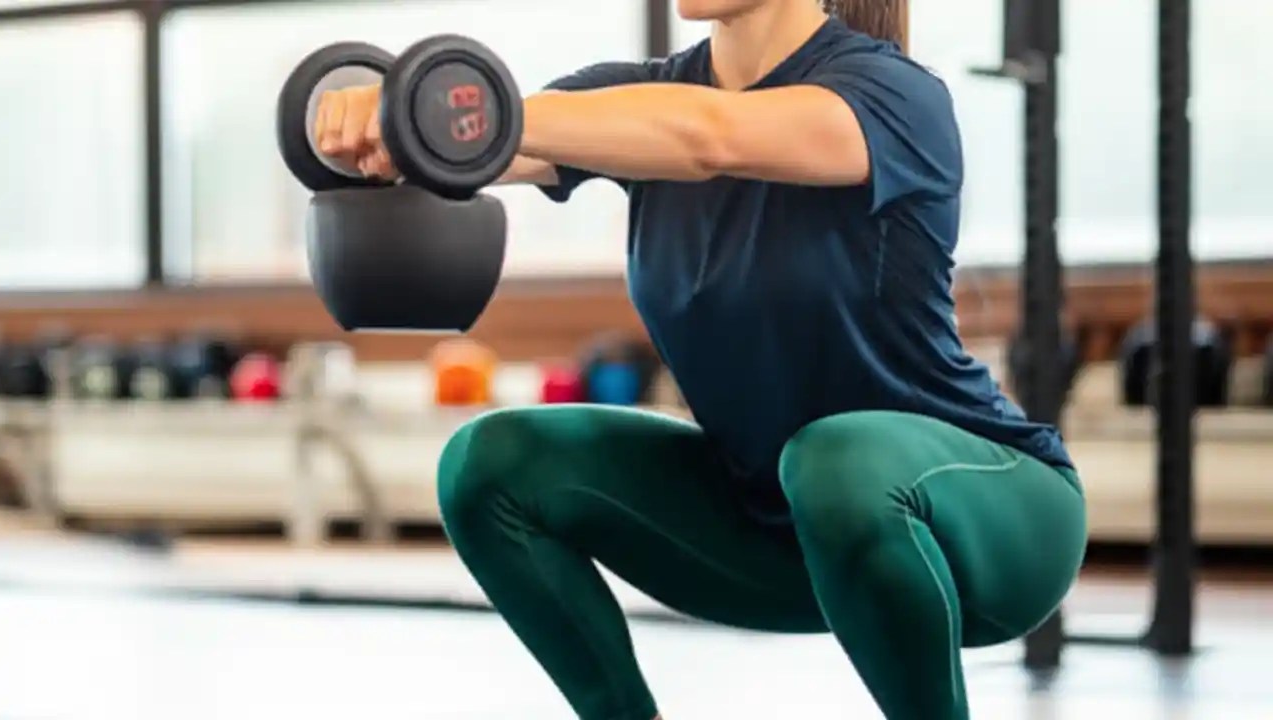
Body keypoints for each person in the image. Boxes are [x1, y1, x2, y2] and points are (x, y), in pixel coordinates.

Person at [314, 0, 1088, 718]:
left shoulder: (891, 95)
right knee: (489, 464)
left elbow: (710, 137)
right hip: (776, 532)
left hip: (992, 528)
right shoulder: (635, 102)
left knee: (834, 461)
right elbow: (470, 145)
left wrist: (452, 112)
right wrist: (375, 129)